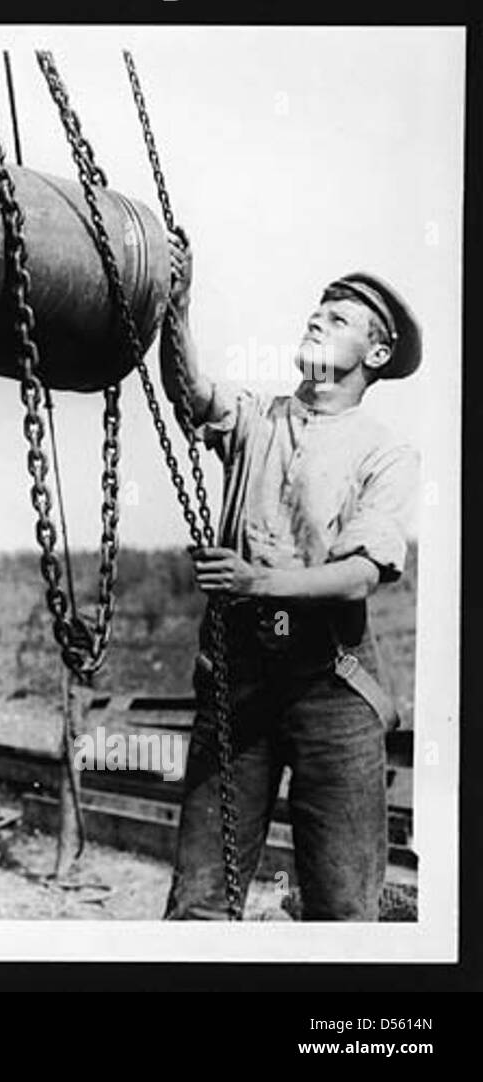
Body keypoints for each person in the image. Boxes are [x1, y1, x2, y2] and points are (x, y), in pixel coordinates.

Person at [159, 234, 421, 921]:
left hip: (332, 689)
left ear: (376, 355)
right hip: (239, 680)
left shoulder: (383, 453)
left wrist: (255, 584)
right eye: (317, 310)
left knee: (341, 911)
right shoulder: (257, 418)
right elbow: (190, 395)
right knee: (199, 905)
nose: (317, 320)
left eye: (338, 319)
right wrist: (176, 309)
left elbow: (360, 576)